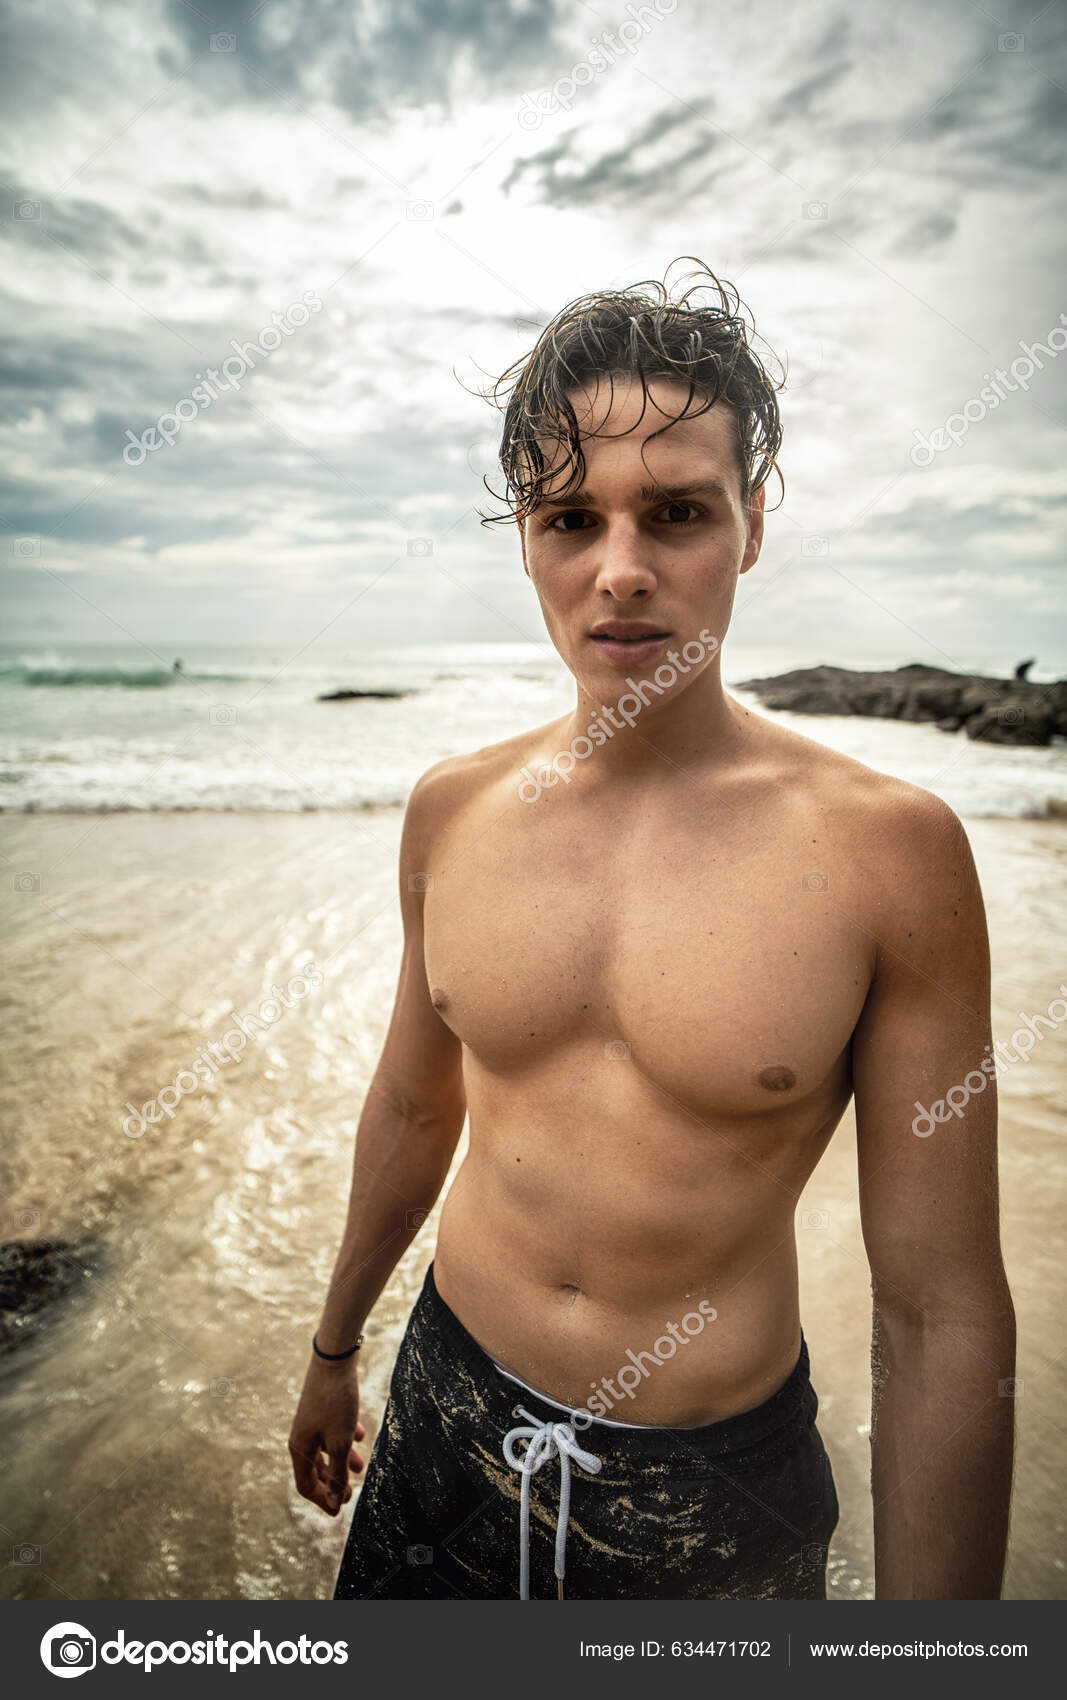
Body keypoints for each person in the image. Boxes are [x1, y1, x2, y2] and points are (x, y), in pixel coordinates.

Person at [288, 259, 1016, 1601]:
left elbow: (940, 1313)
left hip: (712, 1495)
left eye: (675, 512)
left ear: (751, 522)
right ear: (524, 534)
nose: (620, 573)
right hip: (444, 1421)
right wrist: (336, 1351)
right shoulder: (451, 813)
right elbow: (410, 1099)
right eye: (571, 517)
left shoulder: (889, 856)